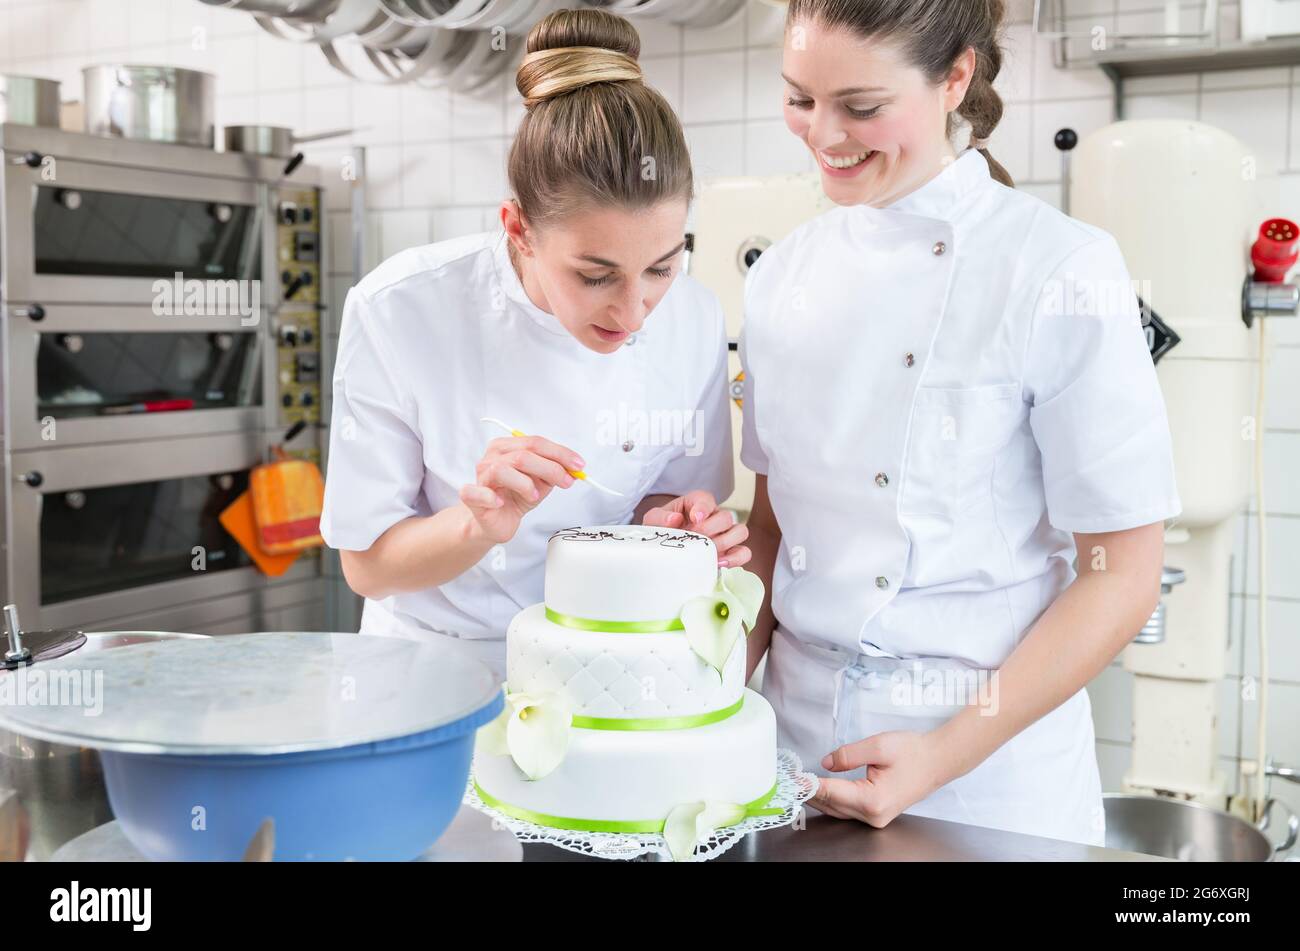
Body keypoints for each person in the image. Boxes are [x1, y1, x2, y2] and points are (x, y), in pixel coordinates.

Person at [740, 0, 1179, 845]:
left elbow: (1121, 572)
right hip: (789, 758)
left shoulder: (1058, 268)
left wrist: (941, 753)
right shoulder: (781, 276)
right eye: (800, 97)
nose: (822, 134)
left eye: (861, 107)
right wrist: (707, 700)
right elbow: (768, 525)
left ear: (956, 78)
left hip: (986, 777)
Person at [321, 8, 748, 680]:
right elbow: (367, 565)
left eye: (662, 266)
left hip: (608, 659)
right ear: (518, 228)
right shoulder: (401, 310)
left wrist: (675, 526)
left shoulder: (693, 317)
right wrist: (477, 523)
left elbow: (657, 504)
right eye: (595, 274)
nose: (635, 312)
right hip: (433, 668)